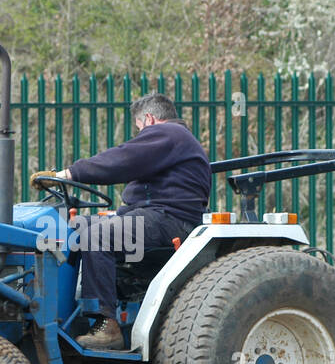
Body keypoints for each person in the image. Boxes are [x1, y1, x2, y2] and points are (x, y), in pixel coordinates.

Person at [30, 94, 211, 350]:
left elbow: (122, 159)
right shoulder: (174, 143)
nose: (139, 137)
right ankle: (69, 313)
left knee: (97, 236)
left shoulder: (170, 133)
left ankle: (107, 326)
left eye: (139, 130)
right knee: (75, 227)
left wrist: (69, 174)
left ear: (149, 119)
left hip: (169, 220)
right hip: (154, 215)